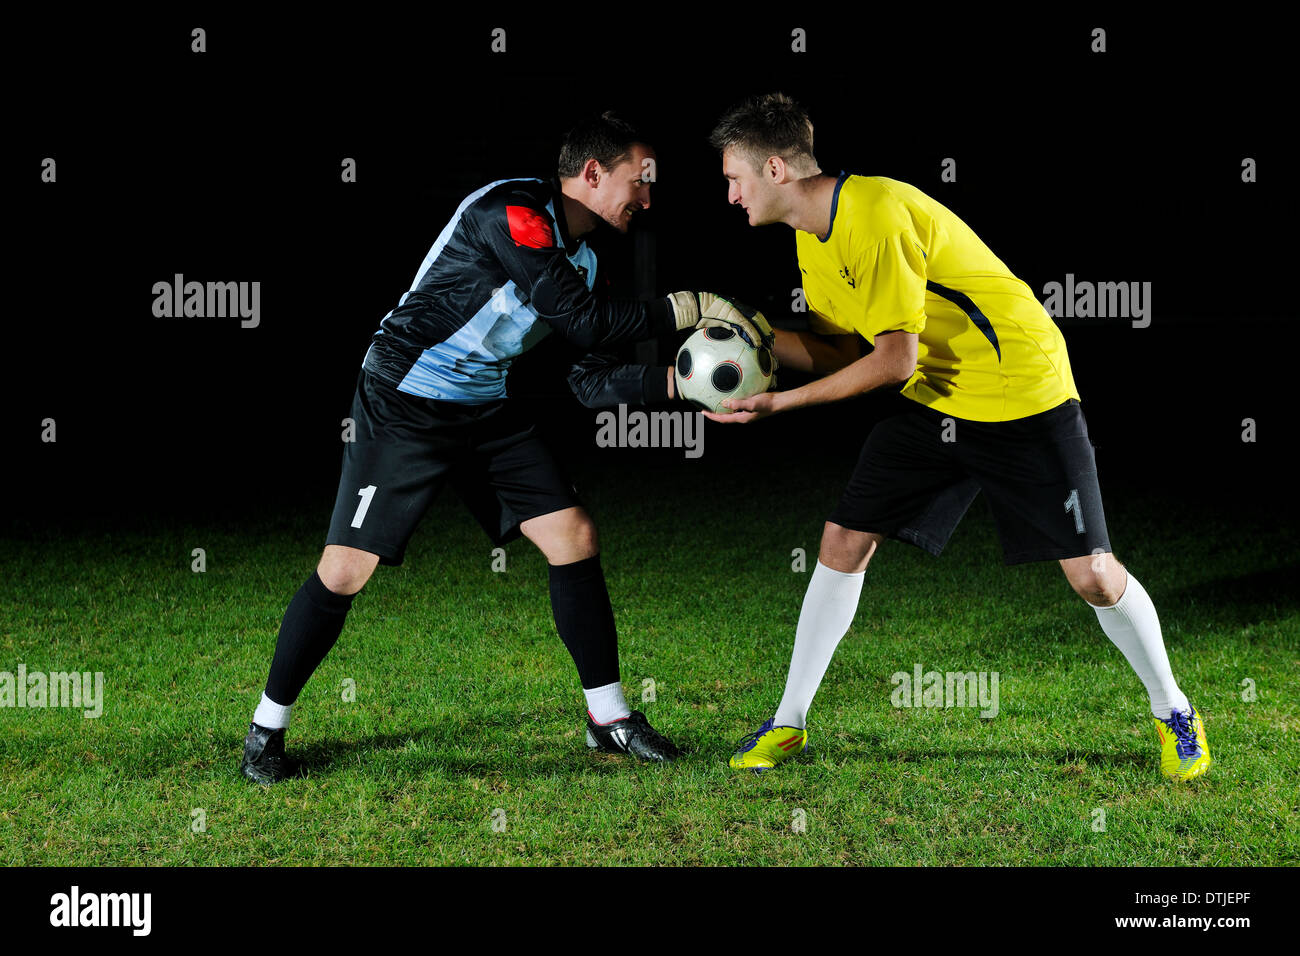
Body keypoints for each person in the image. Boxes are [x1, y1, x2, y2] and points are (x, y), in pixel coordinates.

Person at [240, 111, 770, 782]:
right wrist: (693, 306)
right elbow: (583, 324)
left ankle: (607, 719)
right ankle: (266, 729)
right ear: (591, 173)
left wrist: (684, 384)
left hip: (484, 406)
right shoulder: (511, 211)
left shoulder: (582, 256)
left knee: (572, 534)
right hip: (404, 400)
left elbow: (587, 376)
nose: (646, 198)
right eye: (639, 182)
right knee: (345, 569)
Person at [706, 93, 1210, 782]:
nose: (729, 194)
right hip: (937, 402)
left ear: (774, 168)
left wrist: (779, 404)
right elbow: (843, 349)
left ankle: (1174, 709)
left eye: (734, 177)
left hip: (1021, 393)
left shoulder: (874, 213)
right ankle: (789, 722)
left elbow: (892, 361)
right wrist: (751, 338)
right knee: (843, 540)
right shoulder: (808, 237)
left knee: (1093, 574)